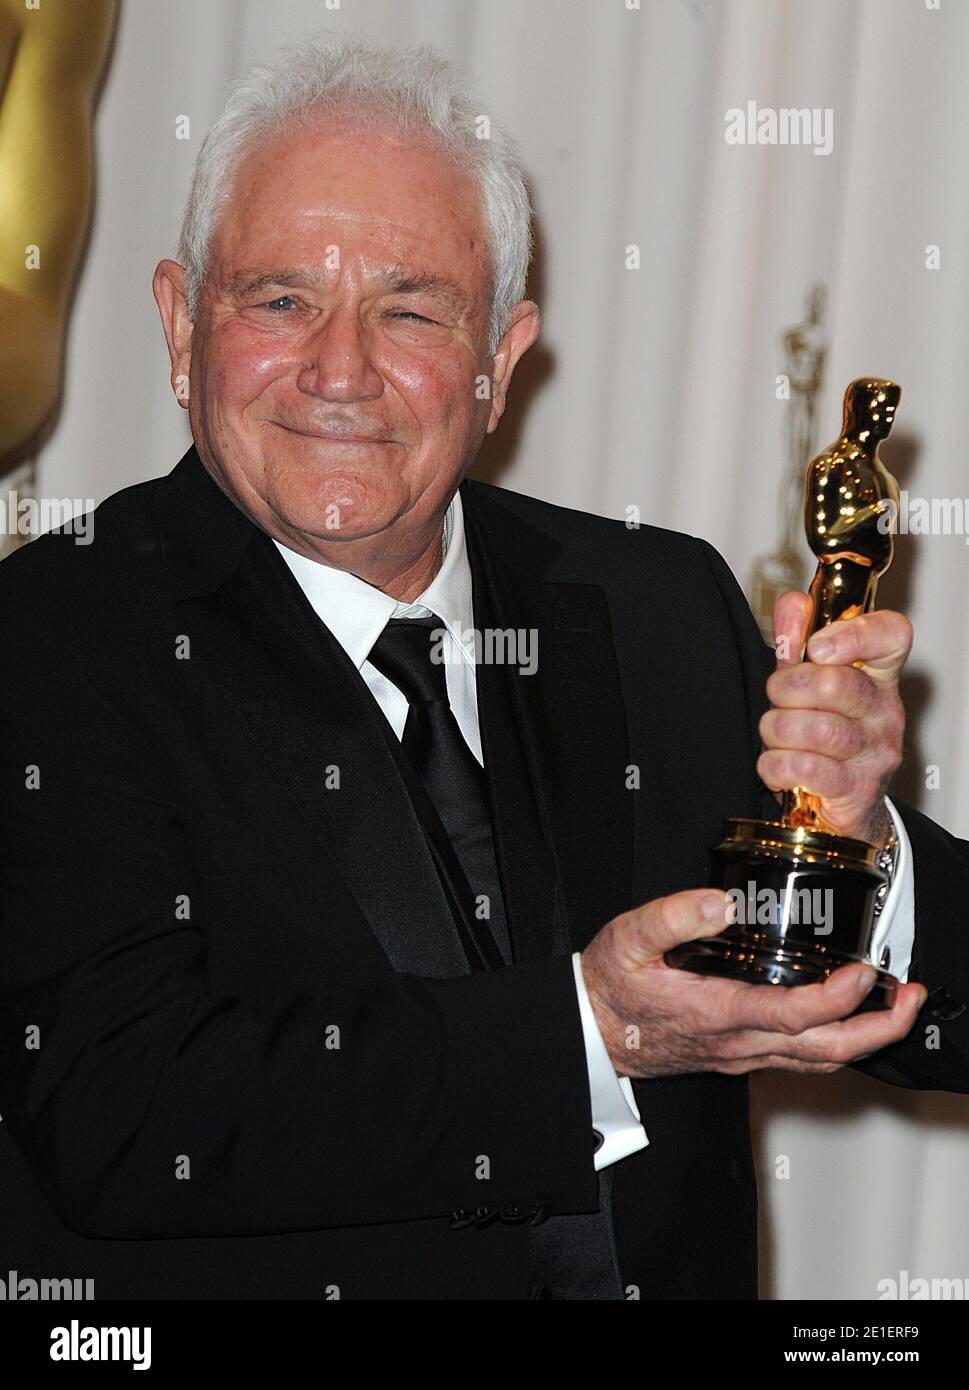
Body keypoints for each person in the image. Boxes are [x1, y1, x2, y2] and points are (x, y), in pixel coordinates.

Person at [0, 37, 966, 1302]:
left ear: (500, 361)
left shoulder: (656, 602)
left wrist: (860, 857)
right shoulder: (51, 632)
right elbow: (120, 1110)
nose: (339, 371)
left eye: (409, 309)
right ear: (182, 324)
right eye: (280, 300)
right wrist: (592, 1036)